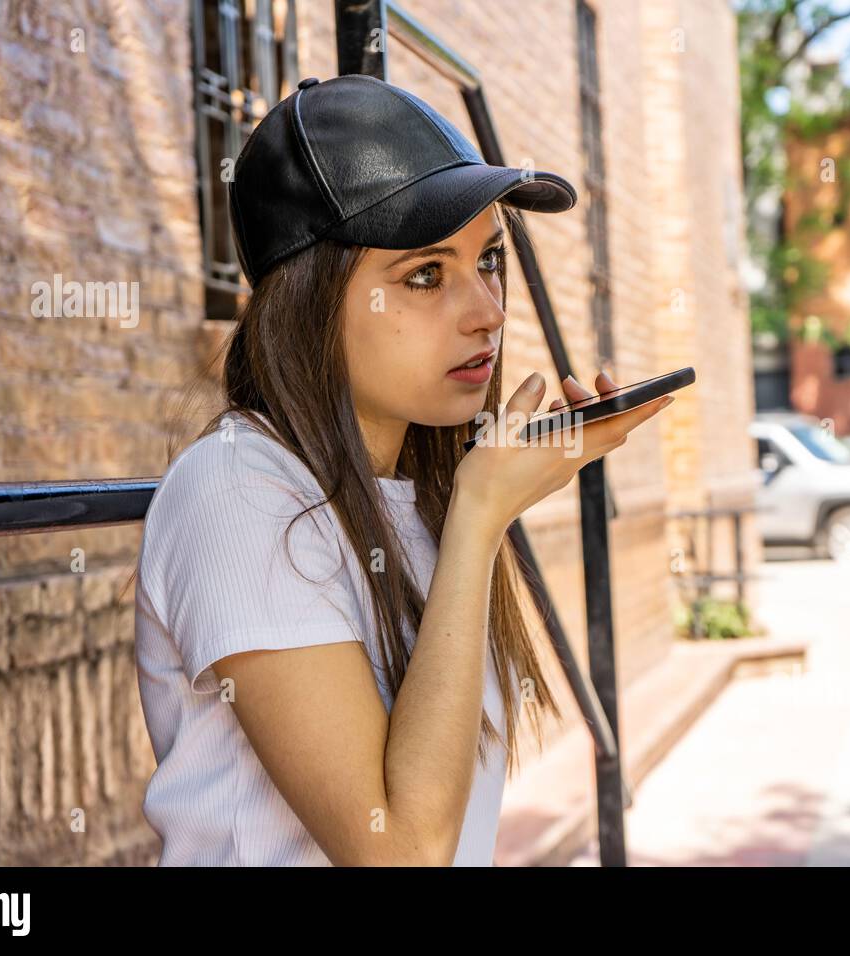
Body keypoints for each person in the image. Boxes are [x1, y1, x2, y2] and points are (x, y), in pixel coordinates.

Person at [132, 74, 675, 866]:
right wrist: (482, 518)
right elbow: (403, 852)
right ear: (311, 302)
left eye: (490, 260)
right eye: (426, 274)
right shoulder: (237, 493)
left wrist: (479, 505)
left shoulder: (419, 495)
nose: (487, 309)